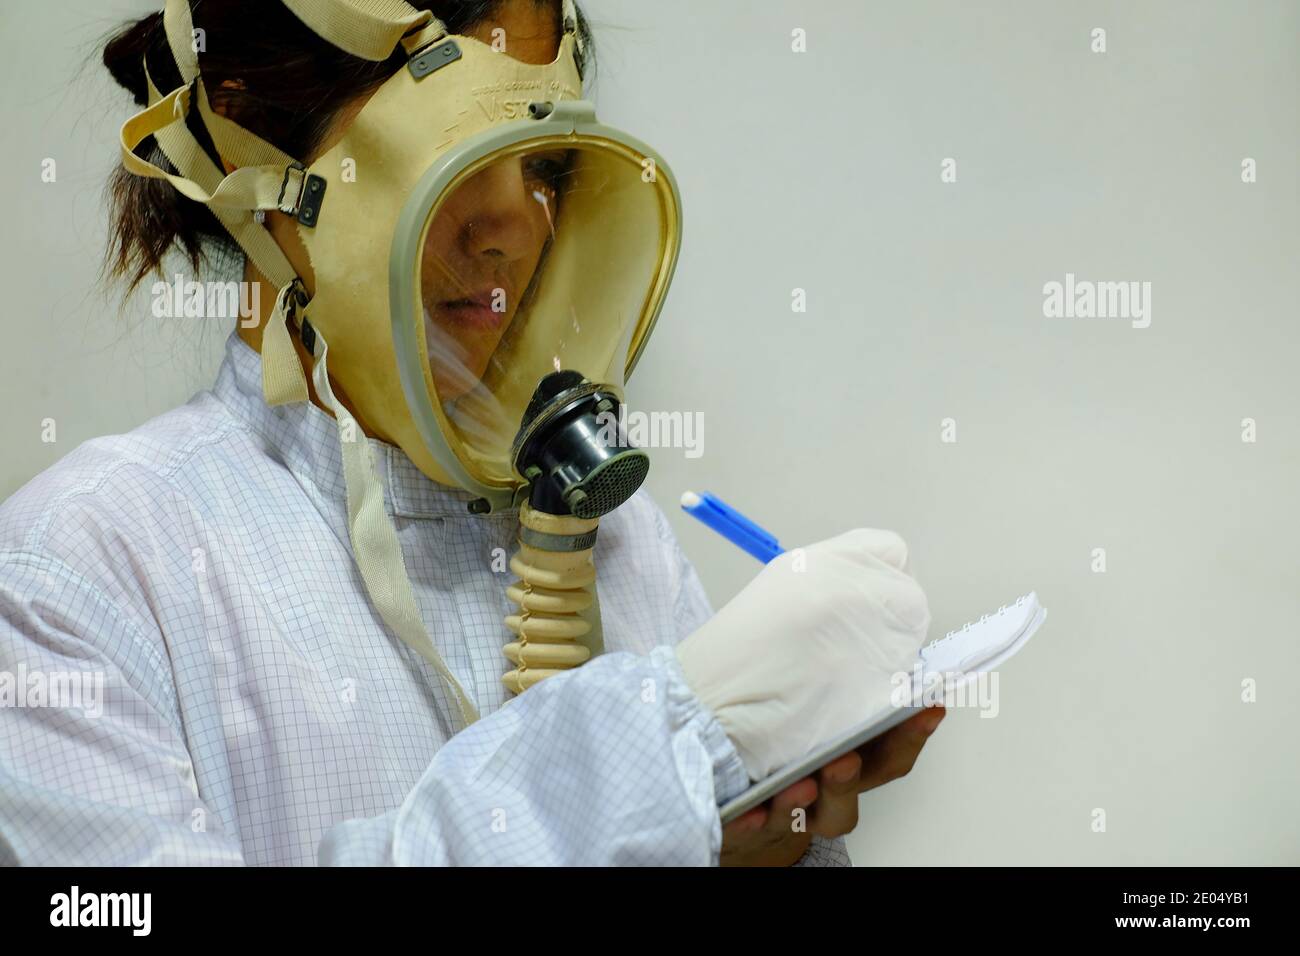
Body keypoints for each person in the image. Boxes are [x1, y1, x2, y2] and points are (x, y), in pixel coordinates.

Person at [0, 0, 944, 867]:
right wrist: (643, 777)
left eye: (540, 168)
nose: (510, 229)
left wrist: (761, 840)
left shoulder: (623, 544)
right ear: (249, 161)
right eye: (452, 153)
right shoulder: (81, 569)